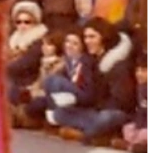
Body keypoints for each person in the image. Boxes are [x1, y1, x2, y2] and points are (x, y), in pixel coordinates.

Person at [47, 16, 135, 144]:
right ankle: (95, 134)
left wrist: (96, 106)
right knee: (61, 112)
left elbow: (122, 102)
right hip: (94, 110)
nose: (87, 41)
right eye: (86, 37)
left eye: (92, 37)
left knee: (106, 117)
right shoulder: (90, 60)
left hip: (115, 112)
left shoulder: (118, 65)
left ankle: (86, 135)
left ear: (104, 37)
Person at [18, 30, 94, 128]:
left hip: (80, 96)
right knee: (34, 102)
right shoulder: (68, 60)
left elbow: (86, 90)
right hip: (62, 97)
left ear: (82, 47)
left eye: (75, 44)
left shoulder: (85, 62)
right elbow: (41, 83)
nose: (69, 46)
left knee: (53, 81)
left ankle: (52, 117)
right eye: (68, 41)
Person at [3, 0, 47, 107]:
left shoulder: (39, 41)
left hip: (28, 82)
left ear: (35, 22)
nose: (22, 25)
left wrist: (1, 67)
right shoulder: (13, 40)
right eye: (18, 22)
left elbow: (26, 63)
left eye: (27, 22)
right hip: (13, 80)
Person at [112, 52, 148, 153]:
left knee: (144, 134)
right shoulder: (140, 87)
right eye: (137, 70)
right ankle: (135, 145)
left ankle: (132, 146)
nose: (139, 74)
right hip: (142, 124)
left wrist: (142, 128)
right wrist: (138, 126)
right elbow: (140, 111)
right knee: (127, 128)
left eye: (144, 71)